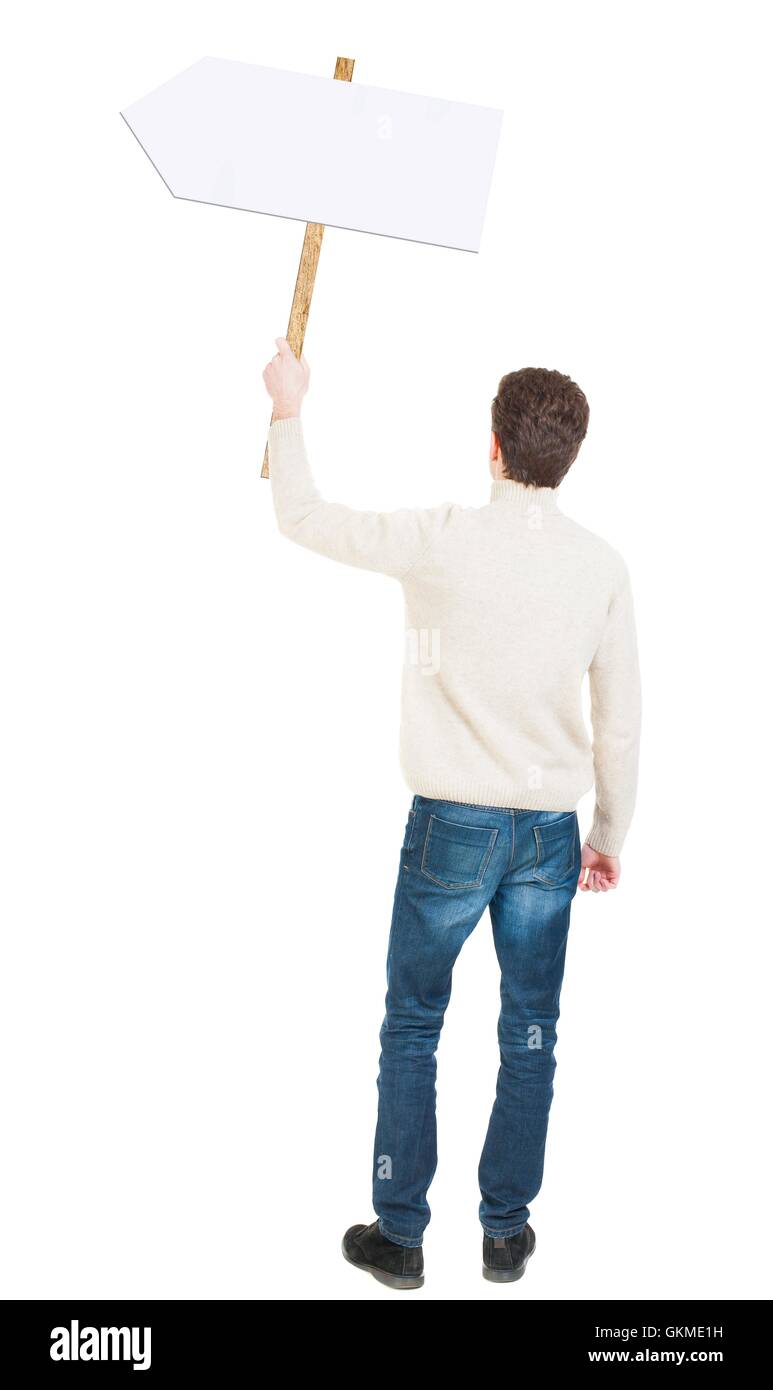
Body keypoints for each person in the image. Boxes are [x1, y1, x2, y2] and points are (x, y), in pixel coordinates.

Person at [262, 338, 641, 1290]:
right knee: (531, 1031)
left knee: (412, 1026)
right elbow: (620, 722)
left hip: (449, 828)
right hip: (549, 835)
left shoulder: (438, 539)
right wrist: (608, 835)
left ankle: (400, 1232)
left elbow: (303, 515)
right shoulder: (599, 567)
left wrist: (287, 403)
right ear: (568, 455)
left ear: (492, 447)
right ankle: (505, 1232)